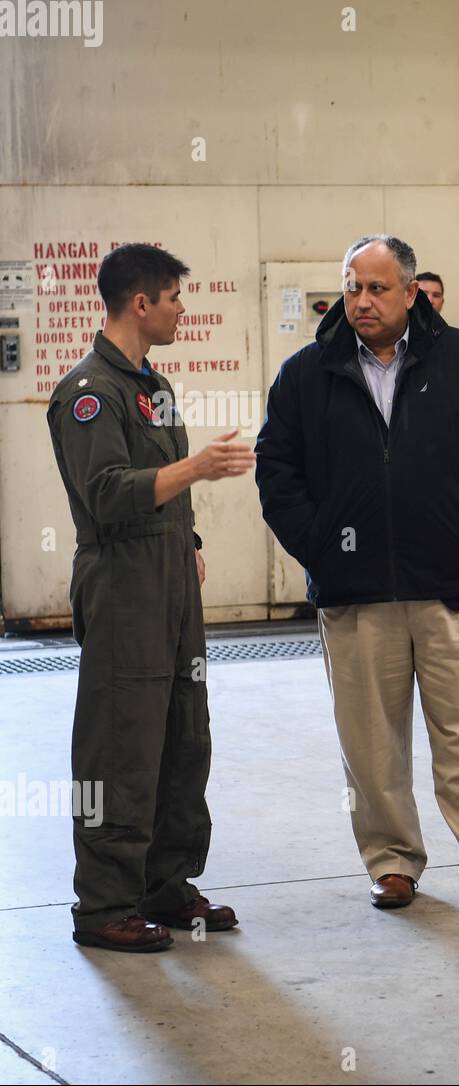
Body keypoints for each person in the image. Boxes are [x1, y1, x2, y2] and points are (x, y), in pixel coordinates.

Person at [255, 234, 459, 913]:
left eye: (378, 288)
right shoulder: (306, 373)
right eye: (353, 287)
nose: (362, 300)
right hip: (356, 594)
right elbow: (277, 470)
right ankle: (392, 864)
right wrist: (320, 546)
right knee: (370, 745)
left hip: (455, 586)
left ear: (411, 293)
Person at [47, 242, 254, 952]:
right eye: (173, 299)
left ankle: (165, 886)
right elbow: (106, 495)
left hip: (168, 579)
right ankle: (104, 905)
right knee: (120, 744)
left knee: (180, 734)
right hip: (123, 584)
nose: (180, 311)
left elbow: (163, 489)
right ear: (141, 303)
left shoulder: (152, 387)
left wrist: (188, 545)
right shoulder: (87, 393)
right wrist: (196, 469)